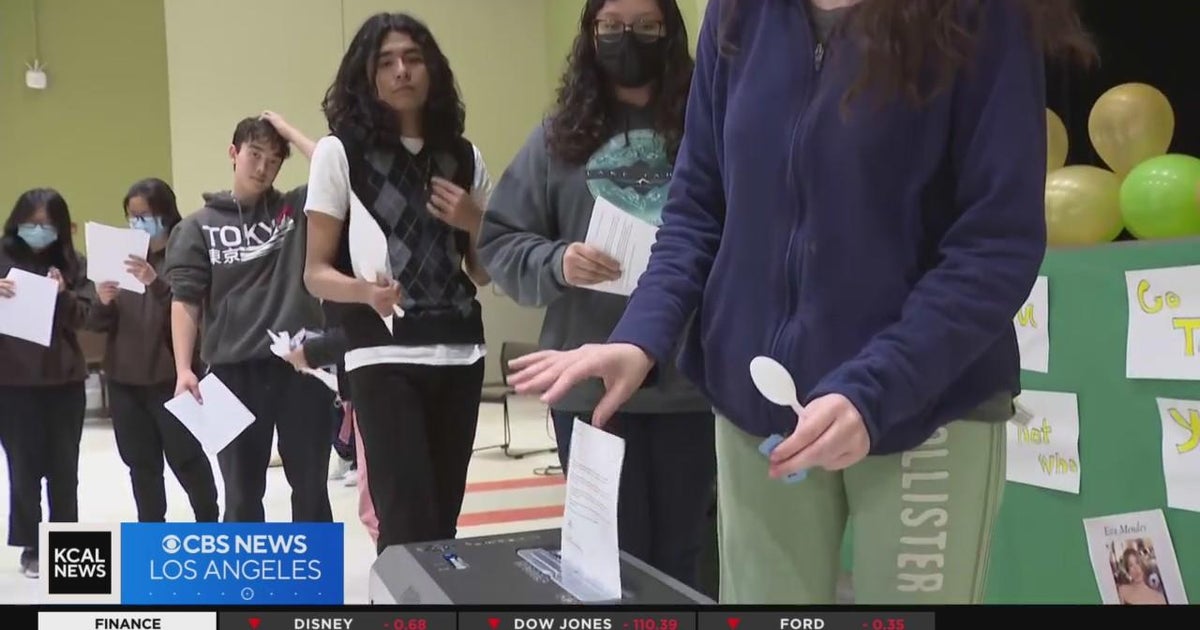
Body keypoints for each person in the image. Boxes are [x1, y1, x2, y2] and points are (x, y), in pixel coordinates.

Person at [506, 0, 1096, 605]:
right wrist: (640, 335)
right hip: (761, 401)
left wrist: (874, 389)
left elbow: (996, 241)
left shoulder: (980, 17)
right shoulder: (739, 14)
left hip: (927, 400)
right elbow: (698, 205)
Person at [476, 0, 715, 589]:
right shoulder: (558, 137)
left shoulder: (708, 130)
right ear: (589, 34)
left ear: (671, 32)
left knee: (689, 560)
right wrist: (558, 261)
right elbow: (498, 244)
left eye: (645, 26)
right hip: (591, 390)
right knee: (610, 564)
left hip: (694, 384)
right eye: (610, 25)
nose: (627, 38)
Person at [303, 12, 493, 552]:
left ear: (432, 68)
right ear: (366, 76)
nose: (402, 71)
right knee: (405, 522)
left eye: (412, 58)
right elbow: (315, 273)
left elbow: (480, 270)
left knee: (444, 522)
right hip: (382, 355)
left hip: (460, 350)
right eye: (386, 62)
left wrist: (475, 222)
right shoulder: (339, 154)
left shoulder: (464, 155)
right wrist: (367, 292)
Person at [164, 113, 335, 523]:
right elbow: (185, 300)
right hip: (232, 372)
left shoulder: (295, 209)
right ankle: (245, 585)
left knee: (311, 485)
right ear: (233, 153)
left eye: (274, 160)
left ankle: (310, 582)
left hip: (302, 368)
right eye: (254, 155)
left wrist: (289, 129)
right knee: (241, 493)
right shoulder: (196, 228)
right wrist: (184, 368)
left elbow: (335, 172)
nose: (262, 168)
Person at [86, 178, 218, 523]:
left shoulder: (185, 249)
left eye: (145, 215)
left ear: (164, 212)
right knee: (140, 464)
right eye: (132, 215)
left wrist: (154, 283)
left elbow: (193, 310)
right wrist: (102, 302)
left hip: (170, 376)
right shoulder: (119, 254)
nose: (138, 222)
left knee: (186, 458)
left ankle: (209, 522)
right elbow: (97, 323)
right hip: (124, 377)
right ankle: (151, 534)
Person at [0, 188, 93, 578]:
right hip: (12, 382)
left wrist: (64, 295)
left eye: (47, 225)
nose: (38, 231)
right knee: (24, 468)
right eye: (31, 223)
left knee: (63, 469)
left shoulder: (73, 262)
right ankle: (33, 546)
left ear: (60, 228)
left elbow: (88, 316)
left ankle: (64, 543)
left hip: (63, 382)